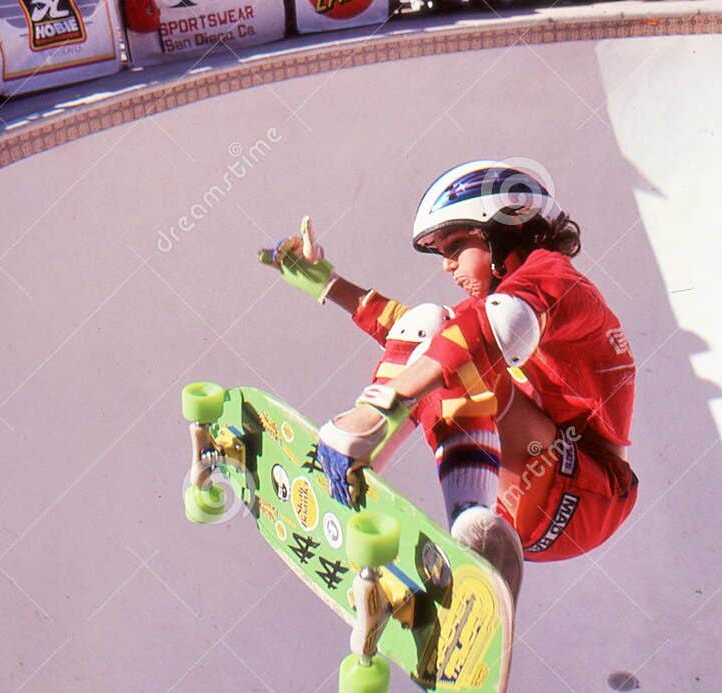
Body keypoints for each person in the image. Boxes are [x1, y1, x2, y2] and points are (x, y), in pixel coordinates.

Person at [259, 161, 637, 604]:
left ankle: (374, 452)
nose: (447, 266)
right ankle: (473, 533)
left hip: (587, 489)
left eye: (456, 246)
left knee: (446, 338)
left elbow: (492, 330)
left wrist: (379, 405)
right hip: (533, 507)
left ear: (506, 230)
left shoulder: (554, 275)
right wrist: (330, 284)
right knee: (431, 331)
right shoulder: (499, 305)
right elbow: (417, 338)